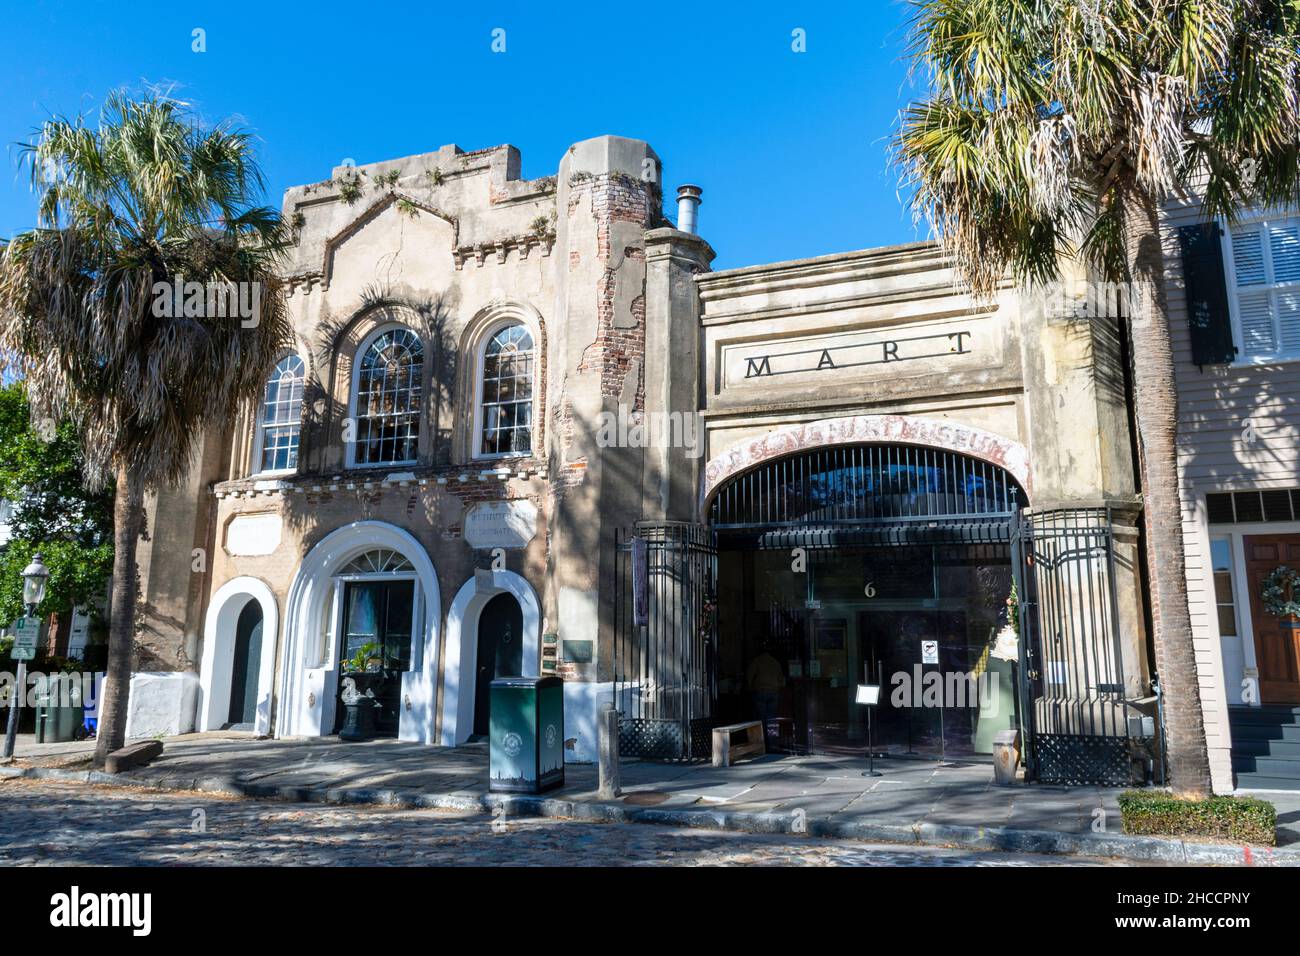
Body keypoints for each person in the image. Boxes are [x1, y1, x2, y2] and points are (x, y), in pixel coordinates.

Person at [746, 645, 786, 721]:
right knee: (771, 717)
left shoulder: (756, 661)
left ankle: (762, 732)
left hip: (760, 691)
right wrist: (778, 687)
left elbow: (749, 676)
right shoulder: (775, 662)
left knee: (760, 717)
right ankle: (769, 731)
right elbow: (781, 678)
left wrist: (750, 687)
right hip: (773, 691)